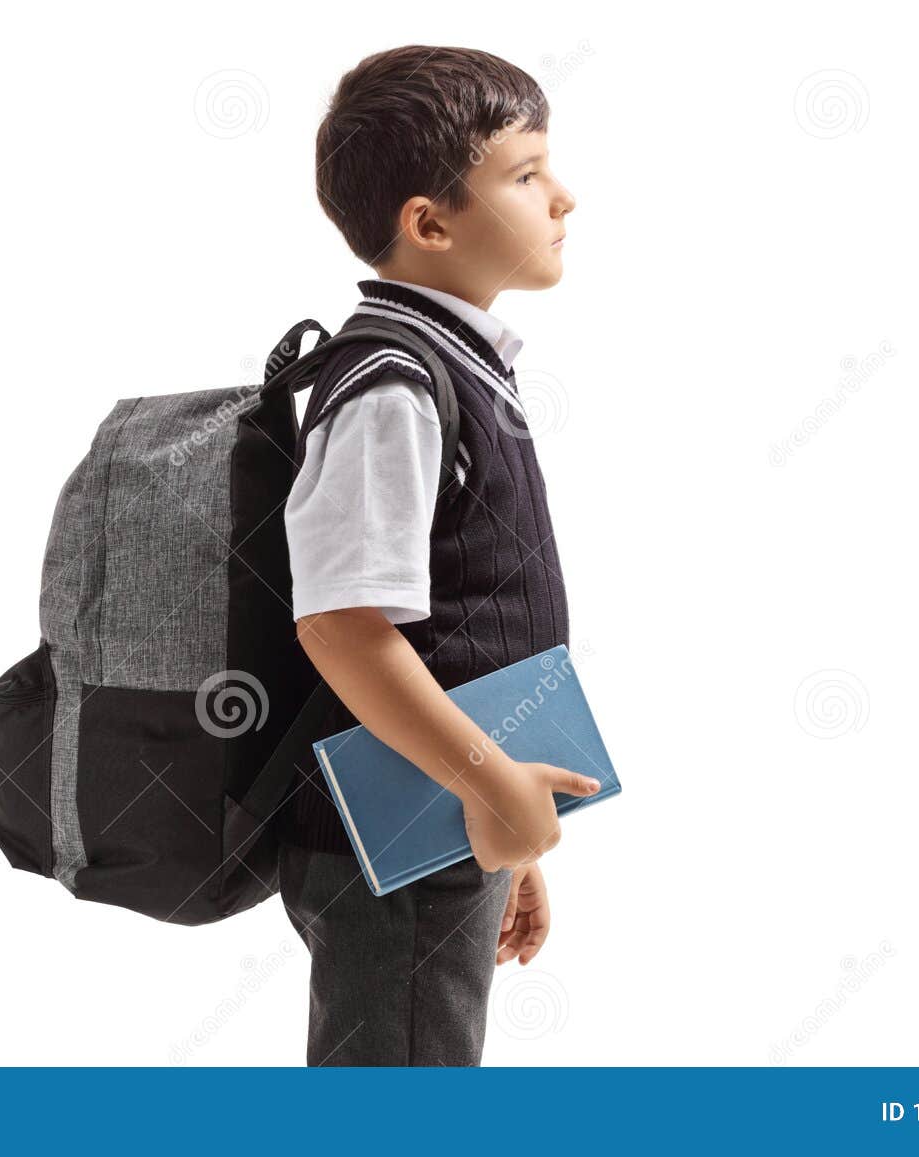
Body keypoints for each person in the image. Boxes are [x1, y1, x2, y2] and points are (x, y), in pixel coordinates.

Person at [275, 44, 596, 1066]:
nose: (564, 196)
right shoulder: (392, 386)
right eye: (526, 173)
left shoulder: (450, 366)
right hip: (398, 826)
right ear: (428, 222)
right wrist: (488, 782)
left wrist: (501, 812)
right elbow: (341, 625)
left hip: (436, 810)